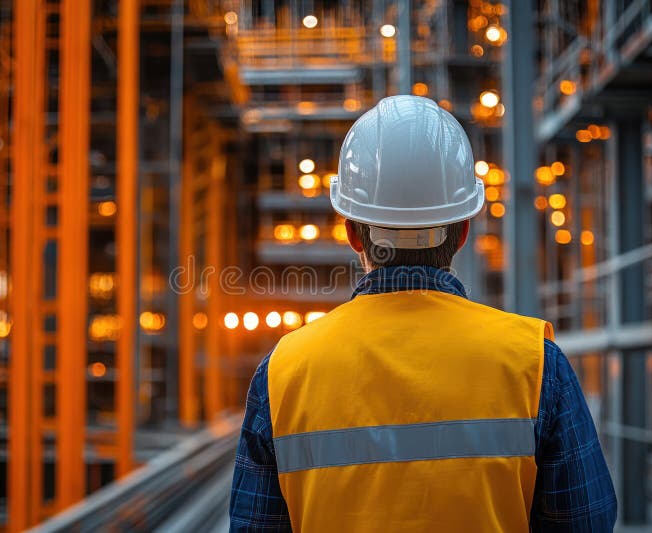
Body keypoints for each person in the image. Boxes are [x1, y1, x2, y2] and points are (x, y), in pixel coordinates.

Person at [229, 95, 616, 532]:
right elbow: (586, 521)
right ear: (465, 229)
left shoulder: (283, 373)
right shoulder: (536, 364)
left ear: (352, 232)